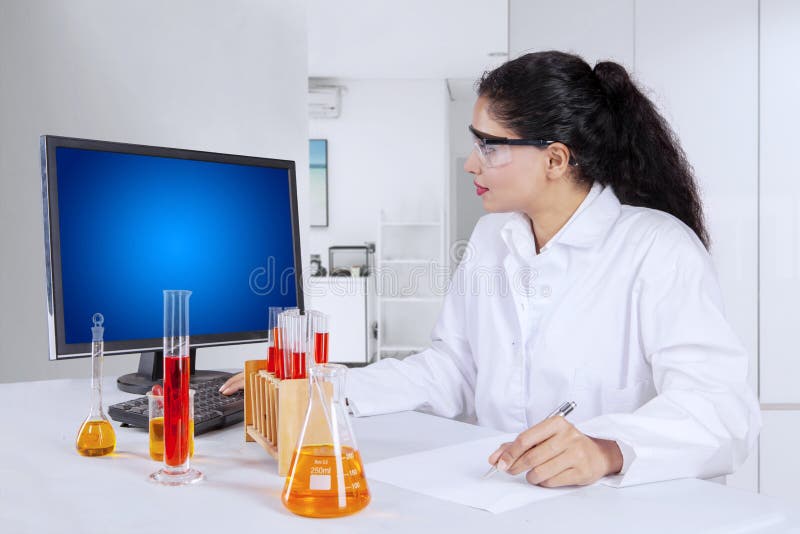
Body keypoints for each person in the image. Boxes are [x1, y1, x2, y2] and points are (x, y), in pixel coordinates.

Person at [221, 50, 760, 488]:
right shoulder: (491, 239)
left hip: (610, 508)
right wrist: (324, 387)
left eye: (490, 146)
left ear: (555, 159)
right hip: (498, 493)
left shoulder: (658, 249)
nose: (471, 163)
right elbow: (453, 369)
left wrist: (606, 451)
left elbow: (722, 411)